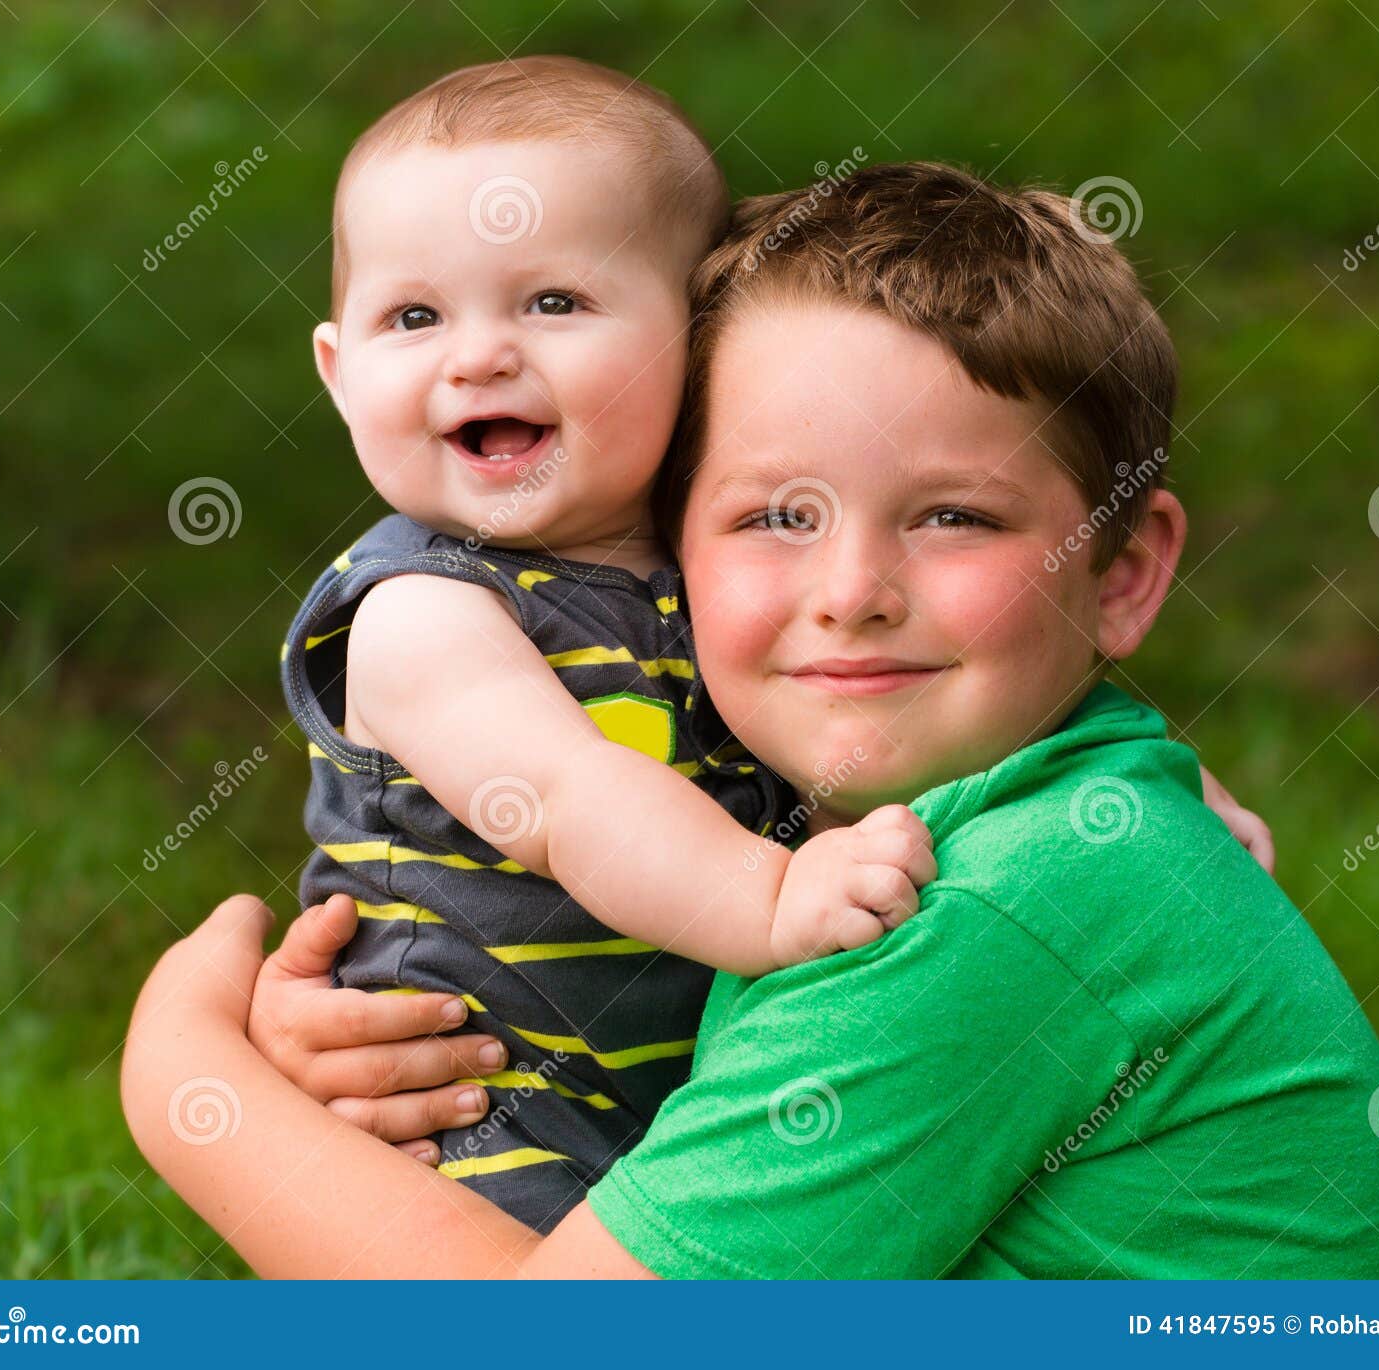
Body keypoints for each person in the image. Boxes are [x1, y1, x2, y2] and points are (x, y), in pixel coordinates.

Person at [120, 159, 1379, 1279]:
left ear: (1123, 568)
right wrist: (364, 1047)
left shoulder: (973, 914)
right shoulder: (983, 835)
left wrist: (196, 1084)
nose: (851, 593)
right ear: (664, 554)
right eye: (774, 517)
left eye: (955, 515)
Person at [267, 55, 935, 1233]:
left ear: (697, 339)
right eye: (413, 316)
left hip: (691, 1098)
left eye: (552, 302)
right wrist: (775, 896)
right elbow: (567, 797)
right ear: (338, 370)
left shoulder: (721, 566)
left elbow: (916, 711)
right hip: (478, 1104)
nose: (475, 356)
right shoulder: (419, 611)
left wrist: (1130, 797)